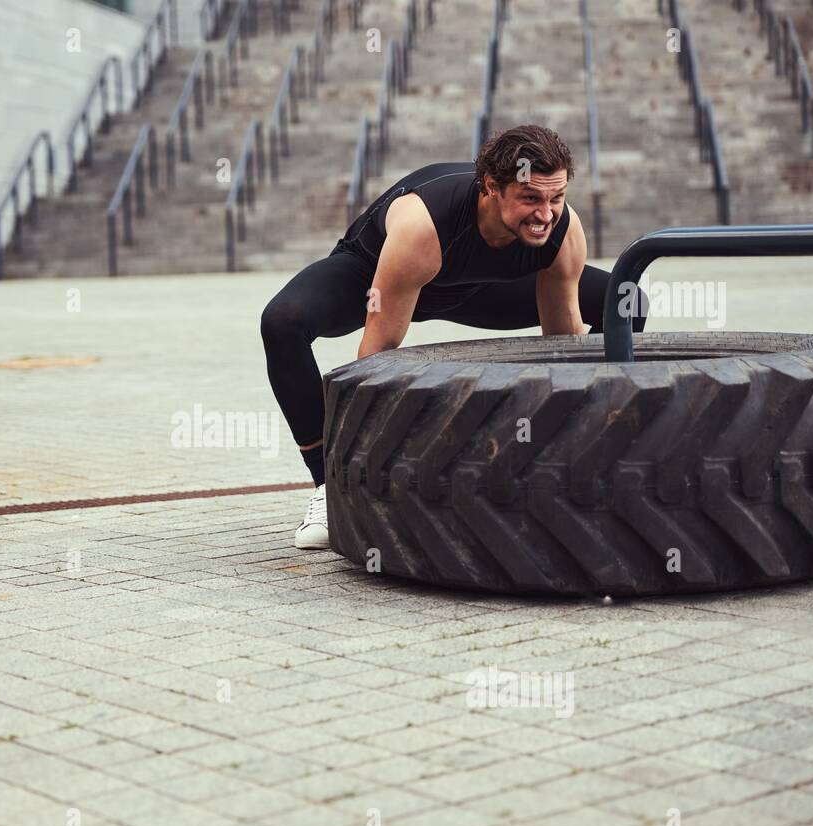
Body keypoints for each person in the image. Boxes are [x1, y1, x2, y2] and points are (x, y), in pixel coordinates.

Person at [260, 124, 641, 549]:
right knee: (282, 322)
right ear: (492, 188)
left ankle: (586, 462)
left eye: (556, 198)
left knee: (626, 299)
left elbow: (562, 348)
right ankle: (328, 488)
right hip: (377, 278)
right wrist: (364, 465)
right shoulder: (423, 224)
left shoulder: (561, 232)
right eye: (530, 198)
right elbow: (375, 356)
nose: (545, 214)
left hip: (475, 288)